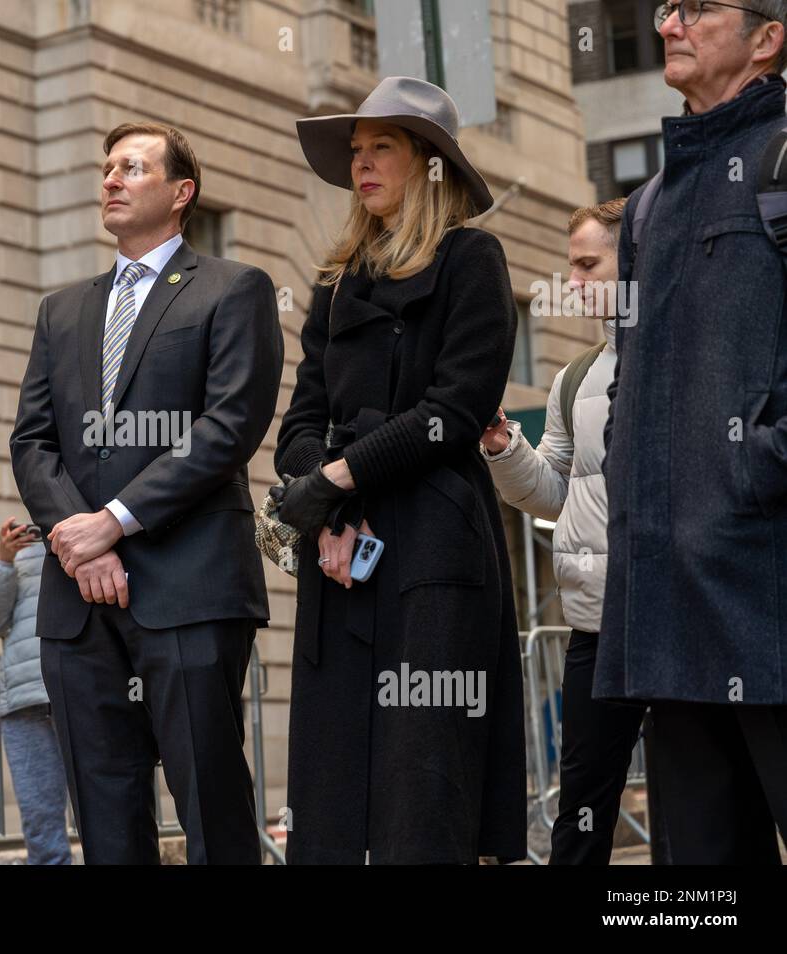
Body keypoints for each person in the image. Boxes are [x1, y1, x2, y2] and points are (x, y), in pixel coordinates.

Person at [9, 121, 283, 864]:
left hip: (190, 588)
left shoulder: (234, 289)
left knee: (212, 807)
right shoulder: (61, 310)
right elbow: (31, 441)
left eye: (132, 167)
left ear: (180, 191)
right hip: (79, 605)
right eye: (106, 168)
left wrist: (116, 523)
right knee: (104, 819)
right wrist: (81, 540)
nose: (111, 179)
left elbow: (228, 427)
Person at [276, 76, 526, 864]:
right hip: (340, 556)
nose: (362, 164)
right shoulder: (338, 275)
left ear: (431, 164)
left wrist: (337, 482)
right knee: (330, 791)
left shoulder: (471, 258)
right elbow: (301, 417)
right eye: (356, 150)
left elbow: (454, 410)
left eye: (382, 146)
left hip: (433, 551)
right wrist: (324, 507)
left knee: (426, 790)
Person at [597, 0, 787, 863]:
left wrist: (761, 464)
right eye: (665, 8)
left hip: (767, 579)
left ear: (768, 37)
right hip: (668, 599)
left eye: (698, 8)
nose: (670, 23)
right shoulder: (646, 208)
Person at [481, 198, 658, 864]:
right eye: (570, 267)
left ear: (634, 258)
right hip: (595, 623)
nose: (573, 283)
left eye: (589, 265)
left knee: (695, 790)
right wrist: (503, 449)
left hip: (678, 617)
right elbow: (553, 492)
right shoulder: (572, 377)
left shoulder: (681, 353)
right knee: (582, 799)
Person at [0, 516, 71, 864]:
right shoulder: (19, 554)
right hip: (23, 700)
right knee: (38, 813)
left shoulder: (95, 533)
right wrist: (3, 558)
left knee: (103, 805)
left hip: (78, 692)